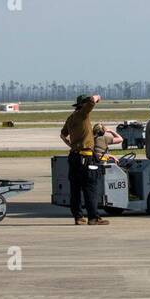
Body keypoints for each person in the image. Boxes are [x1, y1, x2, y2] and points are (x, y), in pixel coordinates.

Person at [60, 94, 109, 226]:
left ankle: (78, 217)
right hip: (85, 157)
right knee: (90, 187)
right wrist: (97, 97)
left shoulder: (71, 118)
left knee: (75, 188)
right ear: (83, 105)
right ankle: (93, 217)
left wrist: (71, 145)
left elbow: (63, 134)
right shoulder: (83, 114)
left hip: (74, 156)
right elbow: (92, 101)